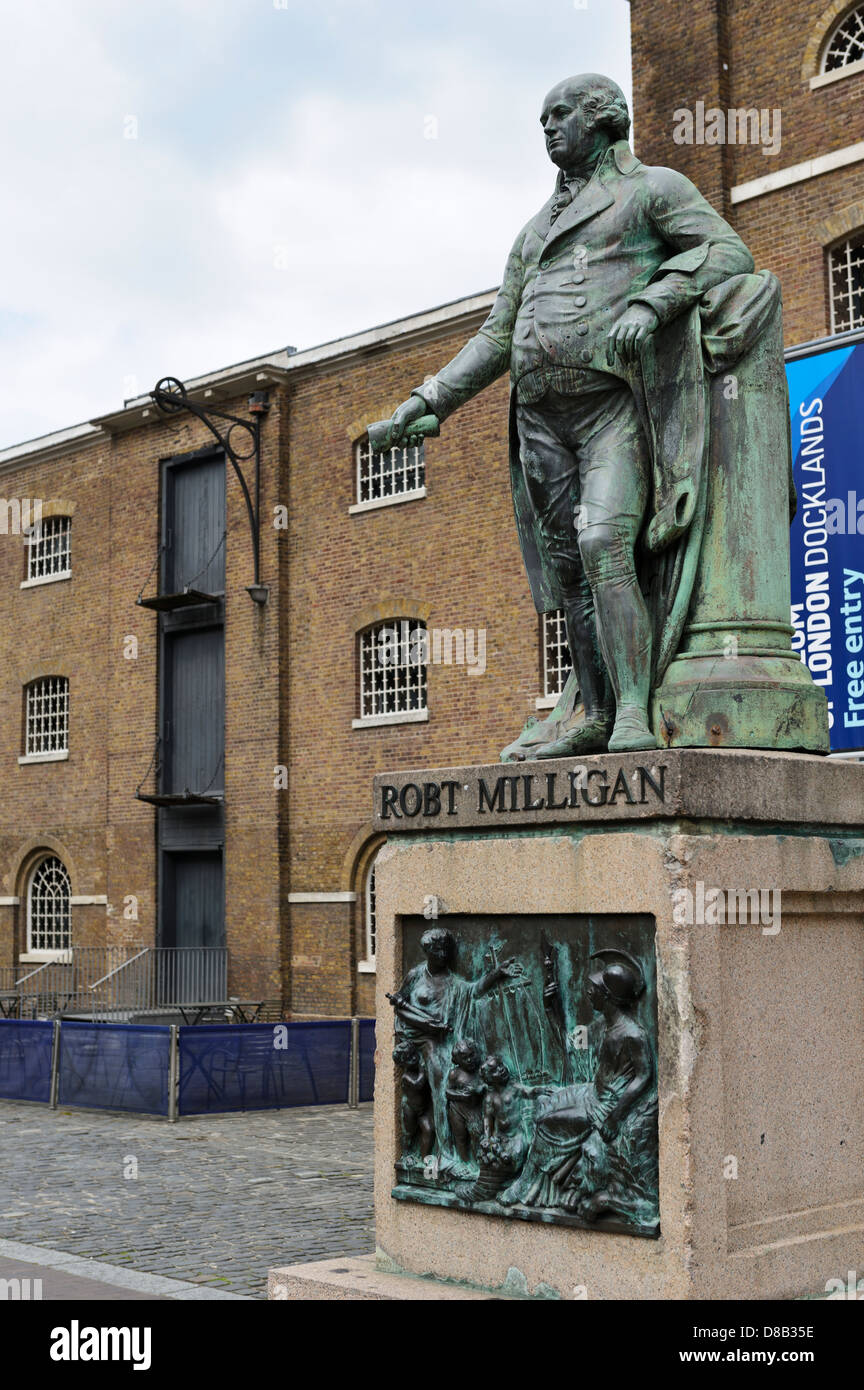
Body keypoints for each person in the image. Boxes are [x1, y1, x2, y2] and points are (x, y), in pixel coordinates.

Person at [377, 73, 768, 758]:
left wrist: (655, 302)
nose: (549, 128)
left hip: (608, 407)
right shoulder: (533, 232)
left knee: (602, 545)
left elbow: (730, 253)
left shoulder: (652, 190)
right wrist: (427, 400)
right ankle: (594, 710)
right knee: (566, 573)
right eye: (542, 120)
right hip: (538, 421)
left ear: (606, 117)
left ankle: (633, 718)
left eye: (562, 115)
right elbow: (497, 334)